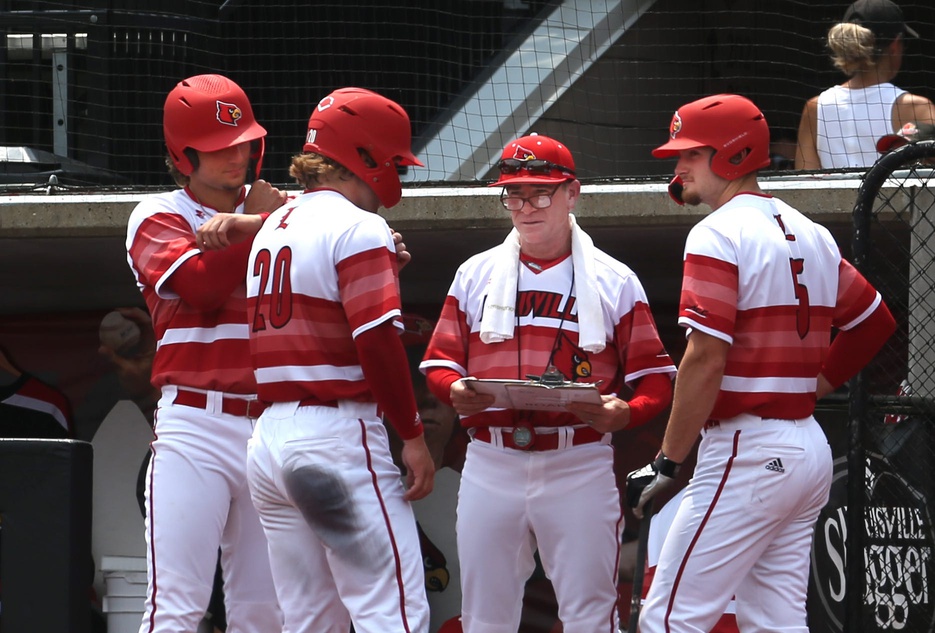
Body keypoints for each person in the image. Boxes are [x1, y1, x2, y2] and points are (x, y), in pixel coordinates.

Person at [630, 93, 897, 633]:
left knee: (667, 618)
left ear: (730, 153)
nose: (678, 166)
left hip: (748, 451)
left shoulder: (716, 231)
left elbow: (704, 359)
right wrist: (807, 387)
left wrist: (667, 462)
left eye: (691, 154)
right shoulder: (812, 232)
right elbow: (874, 321)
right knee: (775, 622)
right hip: (806, 448)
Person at [421, 133, 676, 633]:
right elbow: (438, 363)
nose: (526, 206)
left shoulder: (614, 279)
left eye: (541, 192)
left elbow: (656, 379)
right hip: (491, 458)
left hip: (577, 458)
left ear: (572, 193)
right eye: (514, 193)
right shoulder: (474, 274)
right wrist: (452, 390)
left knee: (589, 616)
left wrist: (624, 412)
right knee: (483, 618)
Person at [242, 87, 434, 633]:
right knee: (391, 614)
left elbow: (322, 317)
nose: (396, 173)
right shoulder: (359, 226)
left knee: (310, 622)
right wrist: (413, 434)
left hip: (270, 441)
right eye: (393, 160)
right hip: (334, 437)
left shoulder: (273, 226)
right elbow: (375, 343)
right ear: (365, 156)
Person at [125, 74, 286, 633]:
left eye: (242, 141)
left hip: (273, 426)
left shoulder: (284, 212)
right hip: (196, 423)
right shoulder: (156, 213)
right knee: (176, 608)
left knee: (266, 614)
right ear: (182, 152)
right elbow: (201, 286)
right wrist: (263, 226)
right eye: (217, 147)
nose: (235, 155)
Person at [795, 0, 935, 170]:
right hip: (891, 197)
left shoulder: (815, 107)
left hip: (833, 196)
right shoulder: (917, 107)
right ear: (895, 45)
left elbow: (805, 183)